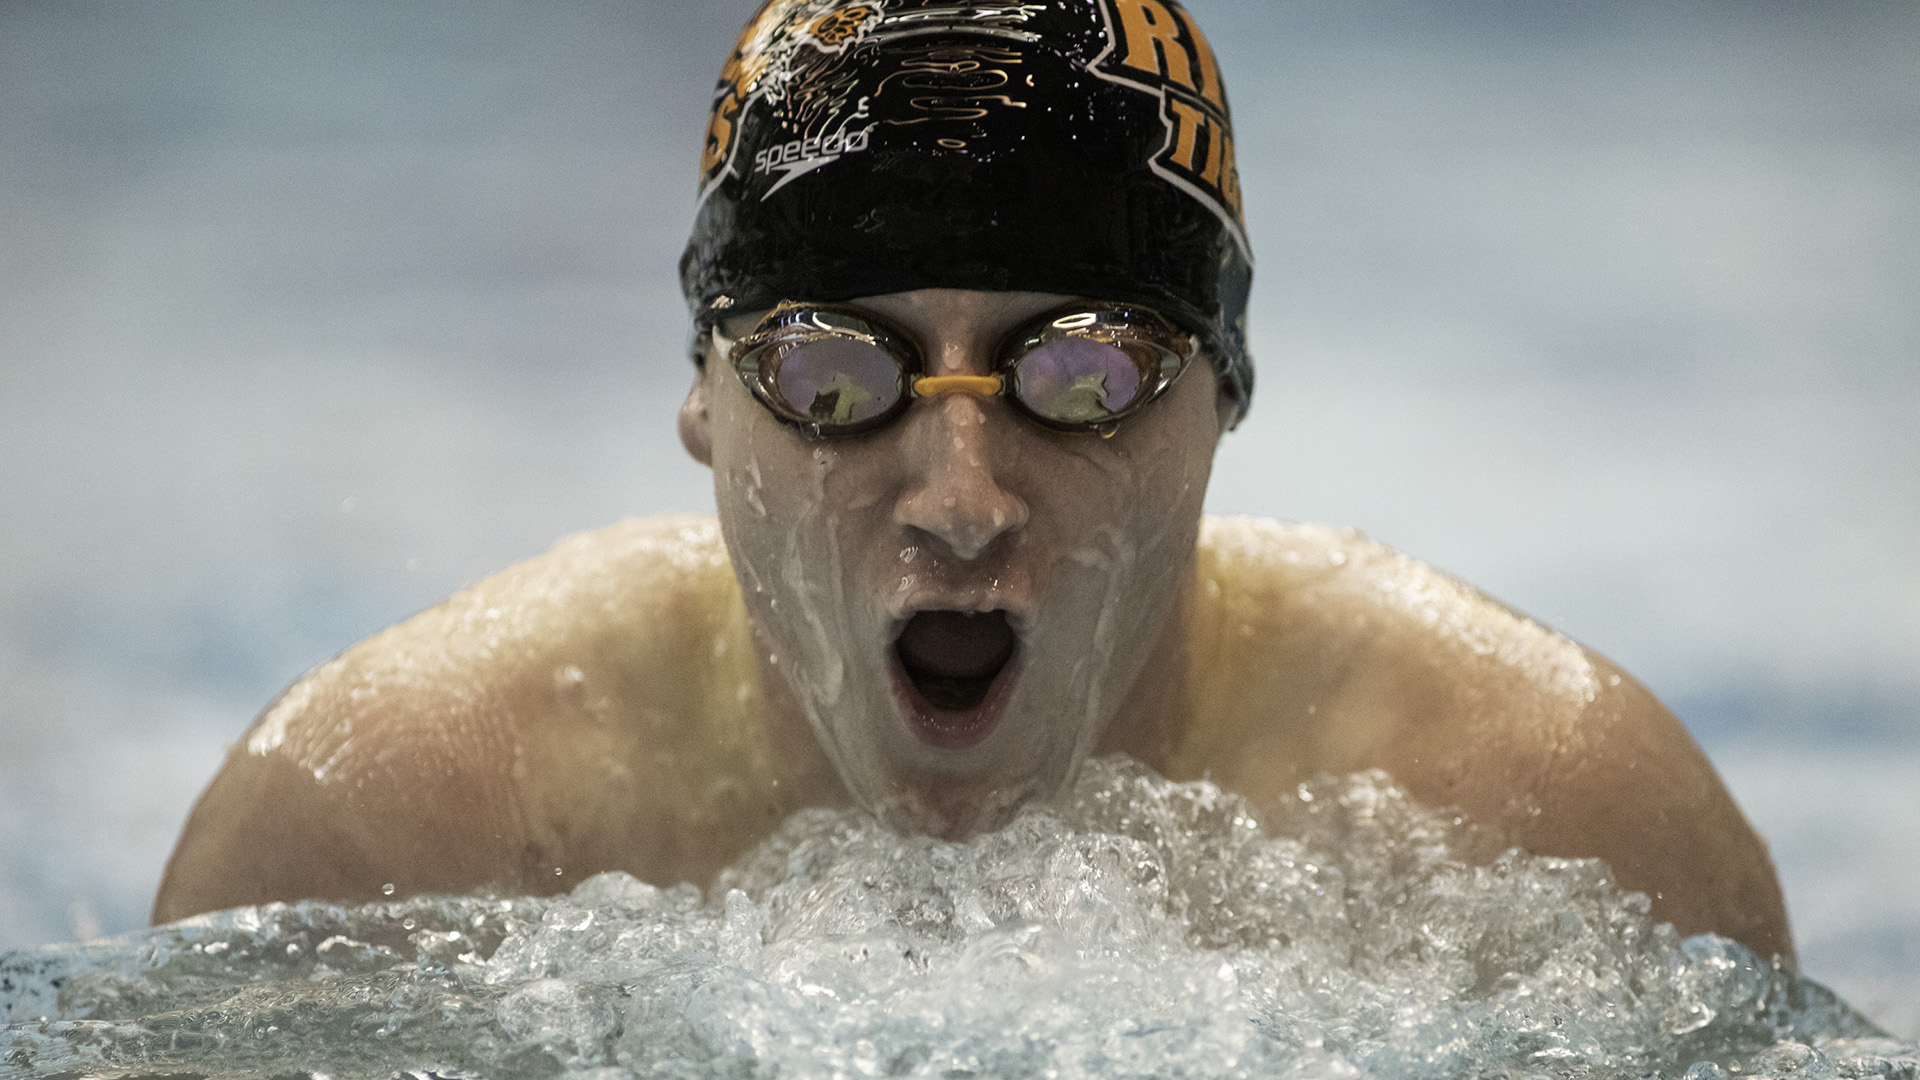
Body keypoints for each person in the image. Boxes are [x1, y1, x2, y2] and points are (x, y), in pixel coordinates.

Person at [152, 0, 1793, 964]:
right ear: (706, 405)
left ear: (1219, 395)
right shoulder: (378, 837)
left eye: (1081, 369)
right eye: (829, 372)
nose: (957, 492)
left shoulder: (1552, 824)